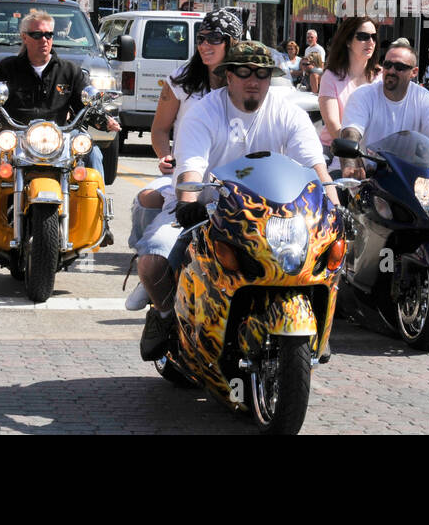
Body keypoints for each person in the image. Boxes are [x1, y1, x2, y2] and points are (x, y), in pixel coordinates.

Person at [135, 41, 337, 360]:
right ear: (228, 76)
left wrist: (334, 208)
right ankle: (162, 317)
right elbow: (190, 168)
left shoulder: (288, 114)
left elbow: (316, 168)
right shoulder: (203, 113)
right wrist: (188, 202)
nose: (253, 80)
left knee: (330, 252)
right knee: (154, 261)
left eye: (261, 73)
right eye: (244, 72)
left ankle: (320, 325)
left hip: (271, 213)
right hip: (205, 208)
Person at [0, 9, 120, 238]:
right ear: (24, 37)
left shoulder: (69, 71)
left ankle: (101, 222)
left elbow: (85, 103)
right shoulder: (8, 68)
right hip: (15, 136)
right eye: (37, 35)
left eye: (49, 35)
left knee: (94, 153)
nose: (45, 40)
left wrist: (104, 119)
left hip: (58, 137)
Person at [130, 9, 242, 247]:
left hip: (236, 189)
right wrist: (166, 156)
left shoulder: (245, 82)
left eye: (214, 38)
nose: (204, 45)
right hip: (188, 183)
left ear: (232, 42)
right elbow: (160, 130)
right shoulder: (181, 80)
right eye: (201, 38)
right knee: (156, 246)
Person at [339, 44, 429, 177]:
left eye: (399, 67)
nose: (391, 71)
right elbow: (351, 132)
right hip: (370, 177)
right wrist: (350, 166)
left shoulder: (423, 98)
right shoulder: (363, 95)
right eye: (387, 65)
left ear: (414, 72)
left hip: (413, 179)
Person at [318, 16, 382, 156]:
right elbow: (333, 125)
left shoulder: (381, 76)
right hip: (336, 150)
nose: (370, 42)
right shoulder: (330, 77)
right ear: (347, 41)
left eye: (374, 37)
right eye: (363, 36)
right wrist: (355, 154)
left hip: (374, 153)